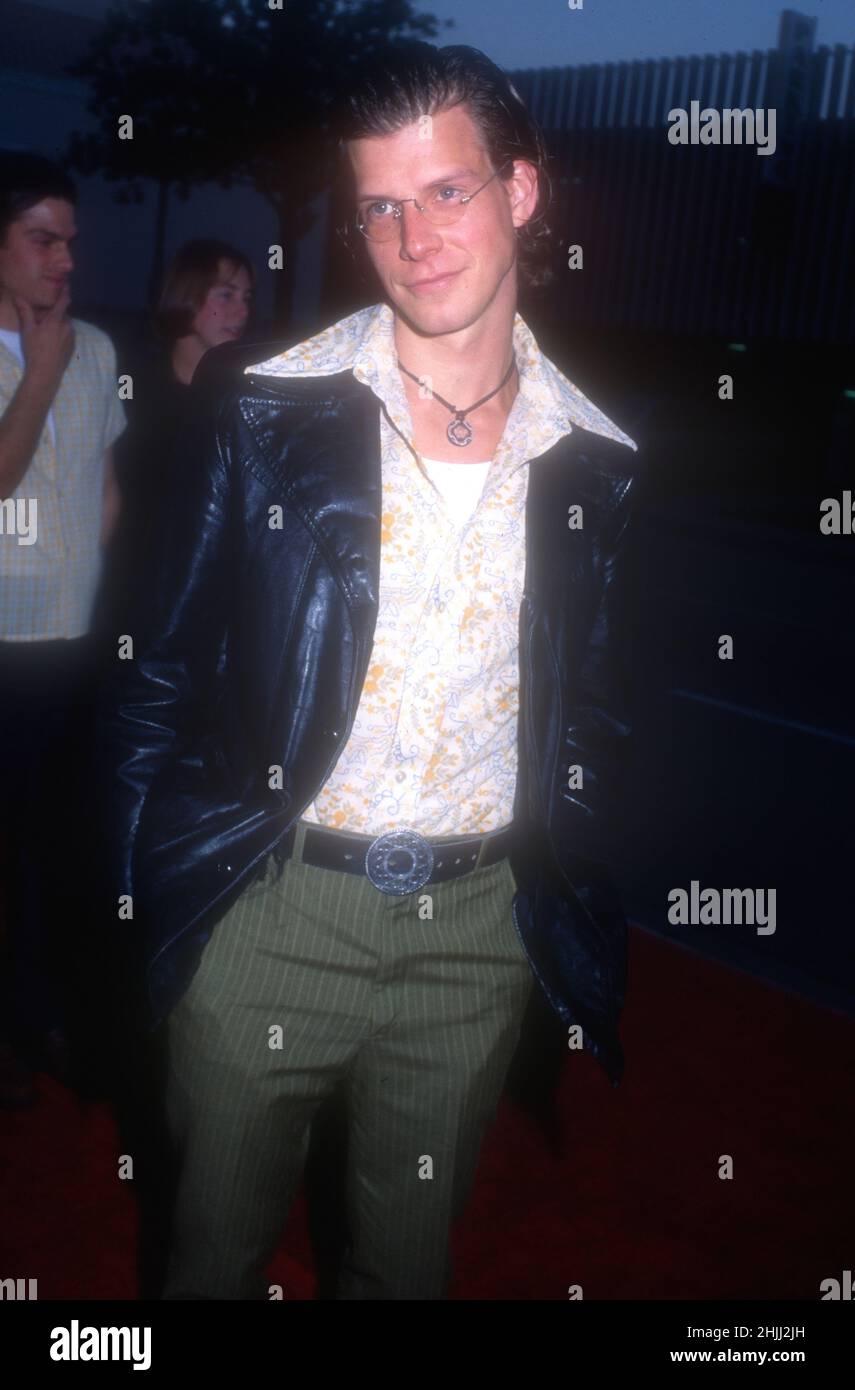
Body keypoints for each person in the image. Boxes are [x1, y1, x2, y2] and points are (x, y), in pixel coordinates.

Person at [98, 42, 644, 1299]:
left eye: (445, 191)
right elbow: (157, 674)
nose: (413, 236)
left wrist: (556, 885)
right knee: (211, 1263)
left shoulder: (596, 457)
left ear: (521, 192)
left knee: (405, 1273)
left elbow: (597, 703)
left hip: (475, 937)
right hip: (268, 909)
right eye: (381, 206)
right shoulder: (265, 408)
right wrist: (153, 911)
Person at [0, 152, 126, 1106]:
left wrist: (87, 567)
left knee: (62, 843)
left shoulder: (101, 351)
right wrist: (38, 371)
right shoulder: (51, 355)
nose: (64, 260)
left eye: (70, 242)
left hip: (74, 641)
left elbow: (103, 479)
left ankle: (43, 1015)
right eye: (43, 240)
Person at [102, 240, 254, 629]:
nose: (242, 310)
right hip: (130, 597)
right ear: (188, 296)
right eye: (226, 294)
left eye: (247, 297)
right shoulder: (131, 390)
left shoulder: (246, 400)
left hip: (213, 603)